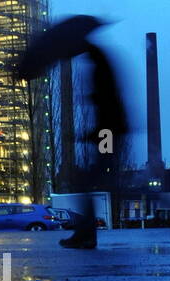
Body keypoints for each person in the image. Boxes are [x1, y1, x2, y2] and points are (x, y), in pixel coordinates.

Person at [13, 15, 128, 248]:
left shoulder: (97, 59)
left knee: (90, 181)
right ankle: (86, 235)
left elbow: (106, 103)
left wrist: (98, 132)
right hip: (109, 129)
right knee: (96, 180)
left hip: (109, 132)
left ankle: (86, 235)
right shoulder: (97, 58)